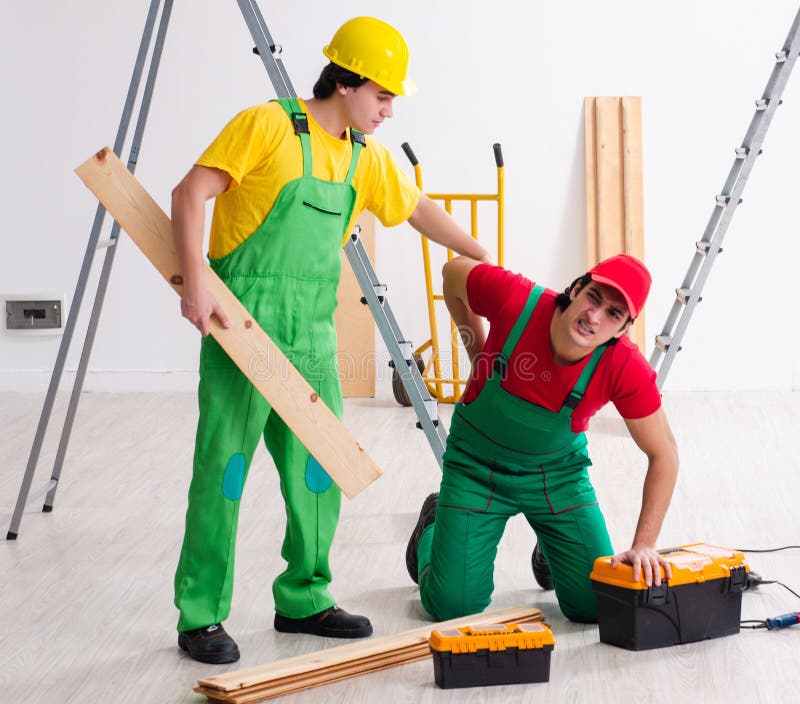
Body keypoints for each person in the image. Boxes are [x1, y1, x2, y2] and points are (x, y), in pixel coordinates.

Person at [170, 16, 490, 664]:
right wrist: (196, 283)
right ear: (344, 81)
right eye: (382, 94)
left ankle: (305, 598)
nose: (389, 110)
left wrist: (479, 253)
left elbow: (418, 207)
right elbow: (189, 193)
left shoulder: (364, 158)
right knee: (225, 472)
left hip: (312, 332)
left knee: (318, 472)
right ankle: (200, 613)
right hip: (242, 325)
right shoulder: (267, 127)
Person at [405, 254, 679, 624]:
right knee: (451, 607)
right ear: (577, 287)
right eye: (594, 297)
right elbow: (452, 273)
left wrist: (645, 544)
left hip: (556, 479)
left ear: (622, 330)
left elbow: (664, 454)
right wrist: (477, 350)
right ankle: (432, 527)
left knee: (596, 606)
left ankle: (551, 549)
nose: (595, 316)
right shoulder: (517, 300)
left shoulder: (624, 366)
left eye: (613, 314)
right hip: (475, 468)